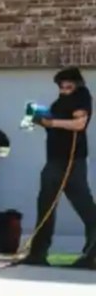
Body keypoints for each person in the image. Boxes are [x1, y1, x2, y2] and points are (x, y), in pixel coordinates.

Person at [23, 67, 96, 267]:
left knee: (84, 206)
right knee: (45, 203)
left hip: (72, 161)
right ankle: (38, 253)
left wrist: (51, 122)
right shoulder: (62, 100)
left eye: (68, 86)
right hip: (55, 159)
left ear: (77, 84)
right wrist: (39, 119)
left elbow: (79, 123)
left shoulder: (82, 96)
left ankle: (93, 253)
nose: (64, 89)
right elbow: (54, 121)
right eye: (61, 86)